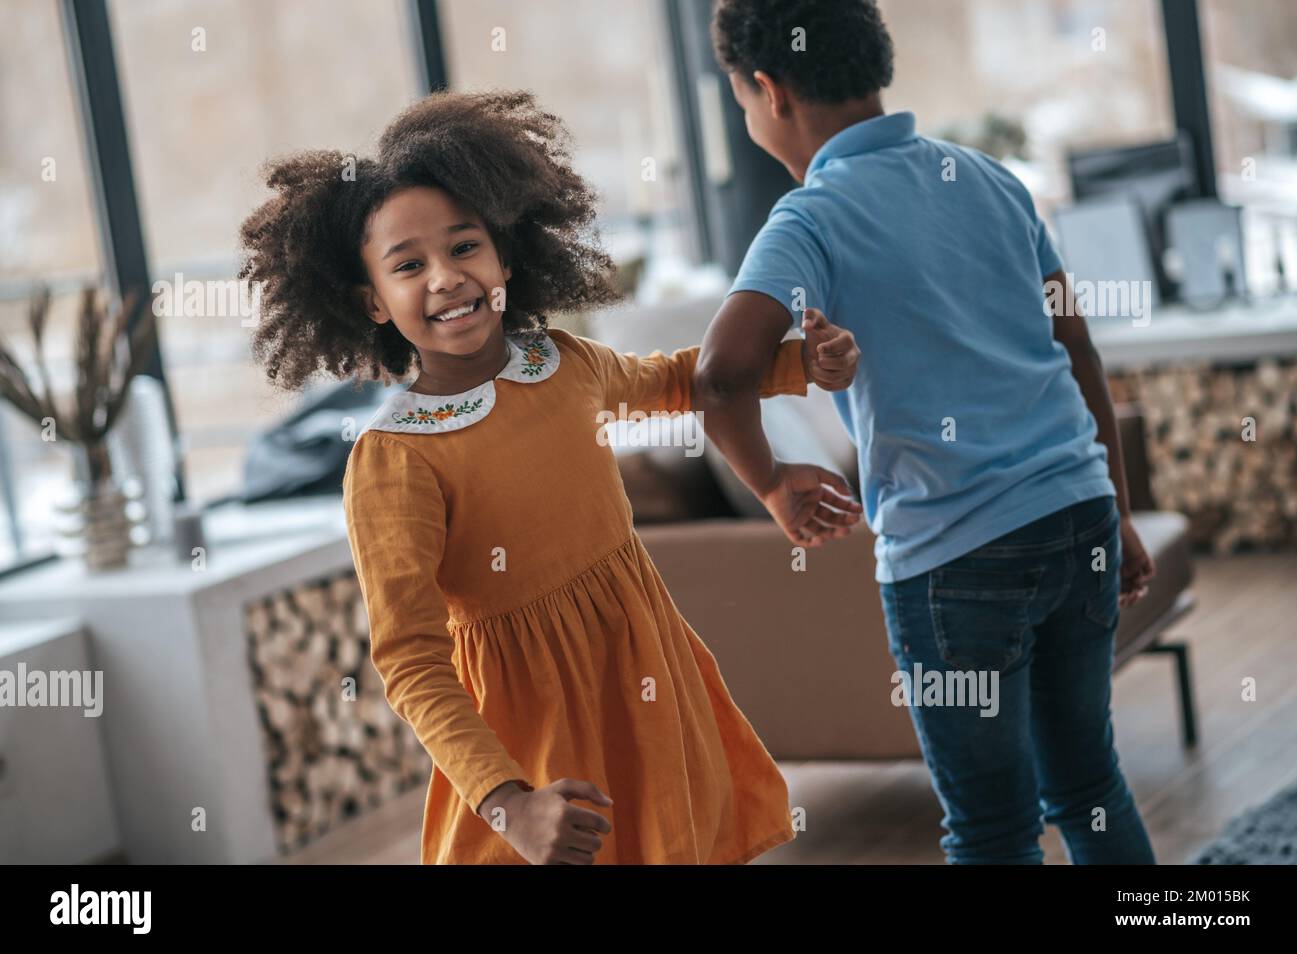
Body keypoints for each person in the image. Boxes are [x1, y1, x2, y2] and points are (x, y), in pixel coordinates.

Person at [237, 89, 863, 864]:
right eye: (408, 265)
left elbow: (680, 380)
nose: (445, 276)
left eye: (464, 247)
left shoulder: (564, 364)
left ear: (505, 255)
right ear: (372, 302)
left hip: (650, 688)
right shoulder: (396, 458)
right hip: (529, 748)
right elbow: (411, 661)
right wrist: (509, 805)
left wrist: (800, 364)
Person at [696, 0, 1158, 864]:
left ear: (769, 91)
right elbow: (1079, 349)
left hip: (954, 561)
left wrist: (771, 484)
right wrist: (1116, 509)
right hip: (1077, 518)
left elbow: (720, 375)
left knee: (992, 828)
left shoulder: (810, 219)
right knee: (1091, 785)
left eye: (742, 101)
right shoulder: (988, 178)